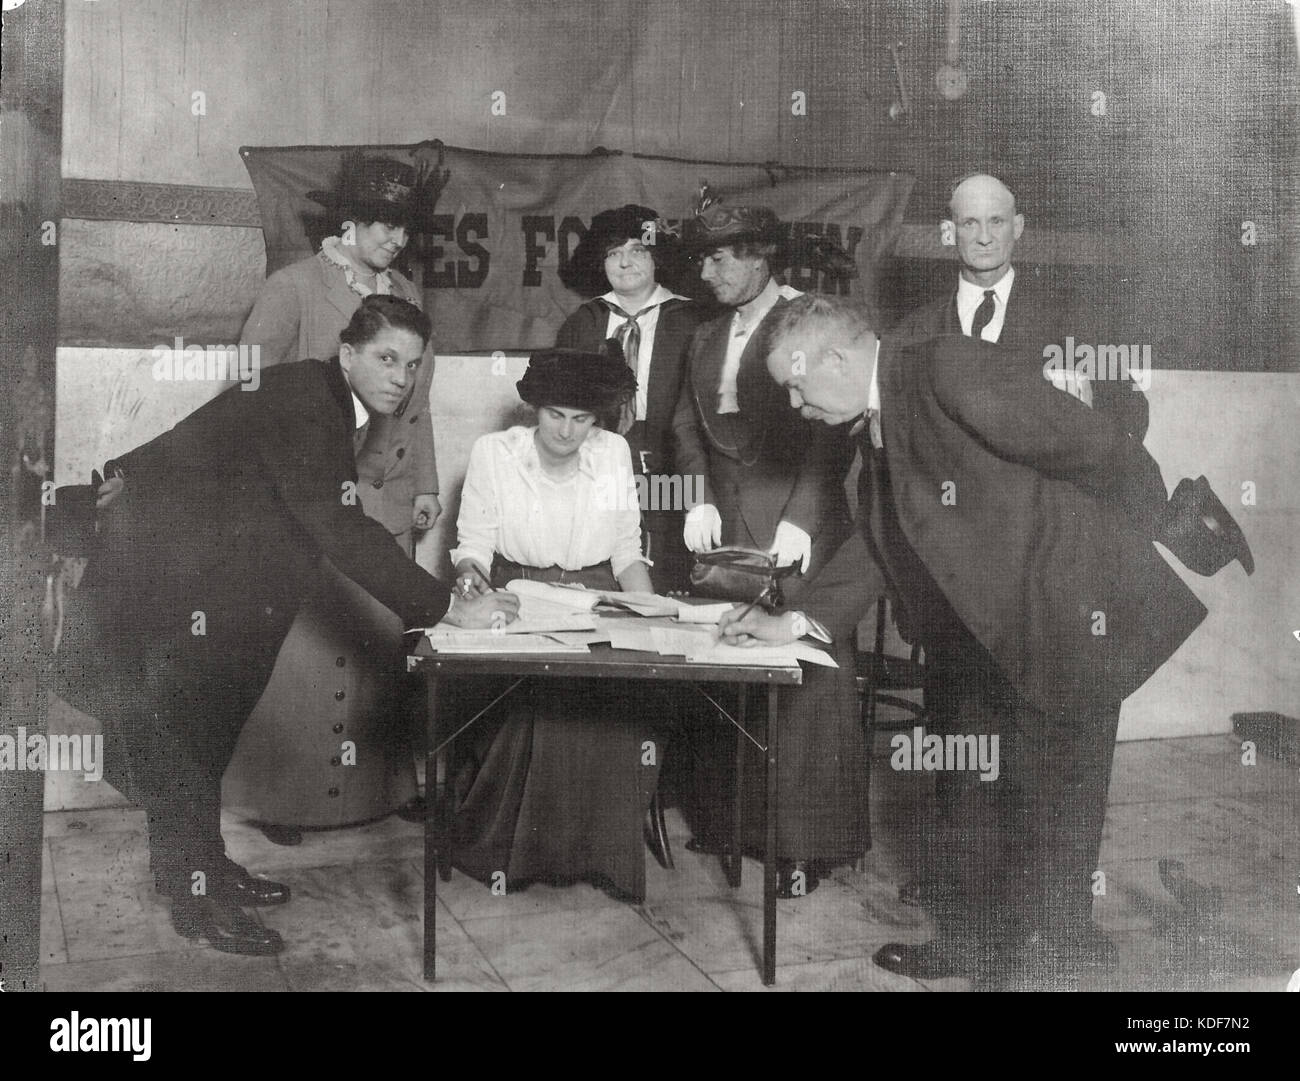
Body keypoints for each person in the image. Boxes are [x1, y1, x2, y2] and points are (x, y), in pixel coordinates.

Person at [720, 293, 1252, 987]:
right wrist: (796, 620)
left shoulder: (945, 369)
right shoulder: (873, 417)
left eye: (795, 383)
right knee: (974, 789)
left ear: (839, 357)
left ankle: (1060, 947)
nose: (793, 403)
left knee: (1059, 794)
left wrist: (1124, 536)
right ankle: (975, 946)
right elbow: (882, 543)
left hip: (1066, 611)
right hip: (980, 631)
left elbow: (1090, 441)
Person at [55, 296, 519, 956]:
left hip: (212, 585)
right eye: (386, 358)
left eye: (413, 365)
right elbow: (337, 526)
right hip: (170, 587)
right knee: (187, 744)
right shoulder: (309, 398)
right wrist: (446, 606)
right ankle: (195, 904)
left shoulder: (323, 395)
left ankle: (206, 867)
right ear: (349, 352)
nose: (401, 377)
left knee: (203, 739)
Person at [226, 153, 443, 844]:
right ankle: (283, 800)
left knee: (382, 646)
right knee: (305, 652)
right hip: (314, 505)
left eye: (405, 227)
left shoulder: (406, 292)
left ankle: (382, 787)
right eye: (383, 224)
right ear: (346, 222)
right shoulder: (292, 288)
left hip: (389, 500)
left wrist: (427, 483)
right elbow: (246, 399)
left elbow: (418, 406)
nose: (396, 239)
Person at [670, 198, 867, 896]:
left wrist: (806, 519)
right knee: (734, 664)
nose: (708, 270)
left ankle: (805, 845)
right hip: (725, 519)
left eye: (721, 256)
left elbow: (831, 429)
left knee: (807, 680)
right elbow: (685, 423)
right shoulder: (705, 334)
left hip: (796, 512)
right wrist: (695, 491)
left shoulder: (808, 319)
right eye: (703, 256)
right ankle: (737, 824)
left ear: (759, 257)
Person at [446, 349, 665, 902]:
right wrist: (474, 585)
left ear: (599, 421)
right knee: (537, 700)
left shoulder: (613, 453)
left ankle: (604, 860)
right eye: (555, 415)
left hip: (596, 598)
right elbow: (473, 547)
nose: (566, 432)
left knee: (620, 706)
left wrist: (652, 617)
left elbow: (625, 552)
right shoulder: (494, 452)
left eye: (582, 419)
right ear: (535, 409)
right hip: (517, 594)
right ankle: (512, 858)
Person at [892, 172, 1148, 438]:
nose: (985, 237)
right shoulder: (914, 332)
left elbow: (1131, 411)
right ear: (948, 232)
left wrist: (1082, 423)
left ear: (1017, 227)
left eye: (997, 221)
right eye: (970, 223)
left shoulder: (1069, 319)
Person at [556, 204, 703, 593]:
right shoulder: (582, 323)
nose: (624, 263)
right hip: (598, 467)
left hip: (673, 467)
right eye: (612, 253)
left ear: (657, 257)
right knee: (605, 571)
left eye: (637, 250)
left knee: (669, 571)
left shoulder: (693, 322)